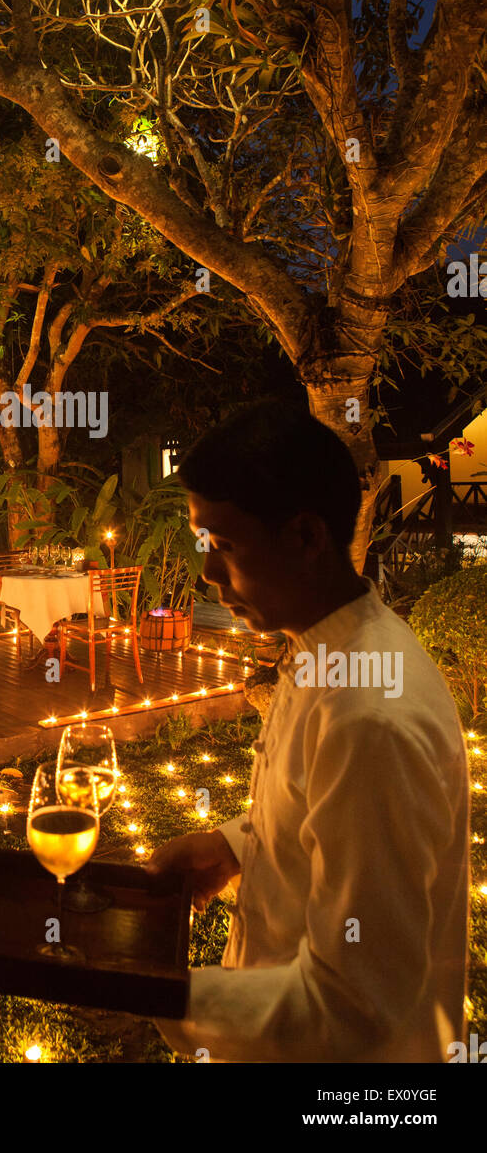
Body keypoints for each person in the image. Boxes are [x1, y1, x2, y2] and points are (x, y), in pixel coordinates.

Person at [146, 400, 470, 1063]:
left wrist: (162, 993)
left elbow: (353, 1007)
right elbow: (328, 805)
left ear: (305, 536)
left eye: (226, 545)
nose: (208, 572)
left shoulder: (371, 720)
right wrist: (236, 846)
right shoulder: (333, 645)